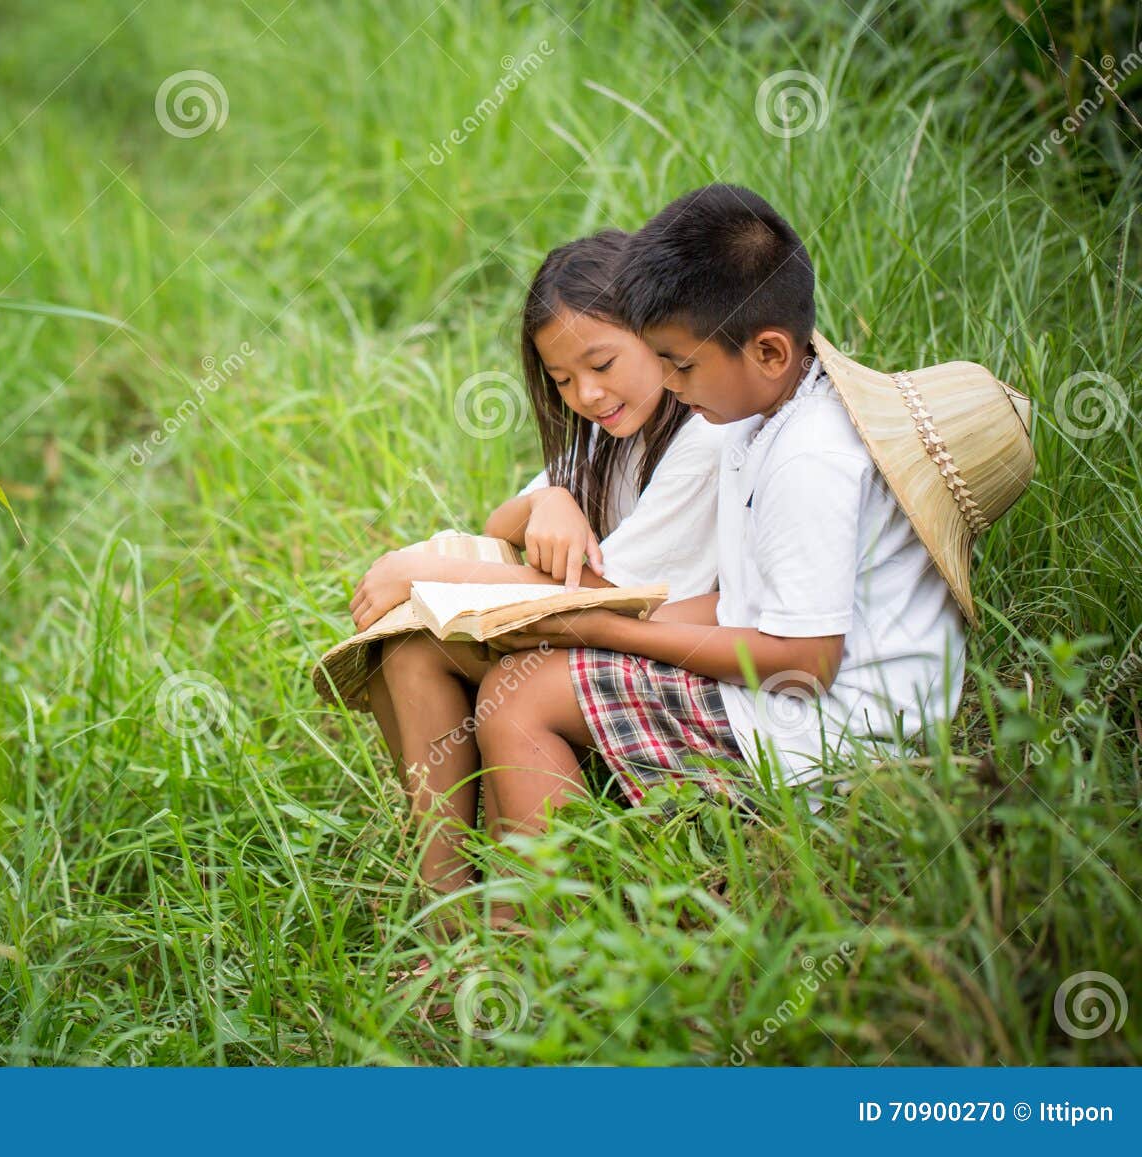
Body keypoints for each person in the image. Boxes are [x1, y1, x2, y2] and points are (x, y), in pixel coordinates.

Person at [474, 185, 1033, 929]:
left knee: (519, 697)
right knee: (525, 678)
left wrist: (606, 630)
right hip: (786, 697)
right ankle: (523, 918)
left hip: (837, 739)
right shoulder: (754, 417)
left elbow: (806, 655)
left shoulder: (810, 456)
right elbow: (738, 606)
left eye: (678, 364)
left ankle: (567, 939)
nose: (669, 383)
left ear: (768, 350)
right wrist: (599, 622)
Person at [351, 227, 724, 914]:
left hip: (674, 654)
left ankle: (529, 920)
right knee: (406, 649)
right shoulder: (609, 431)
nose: (585, 393)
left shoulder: (700, 439)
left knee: (511, 676)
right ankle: (446, 907)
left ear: (656, 330)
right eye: (562, 380)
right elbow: (501, 525)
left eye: (603, 363)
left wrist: (419, 569)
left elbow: (606, 598)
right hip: (601, 631)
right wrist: (549, 500)